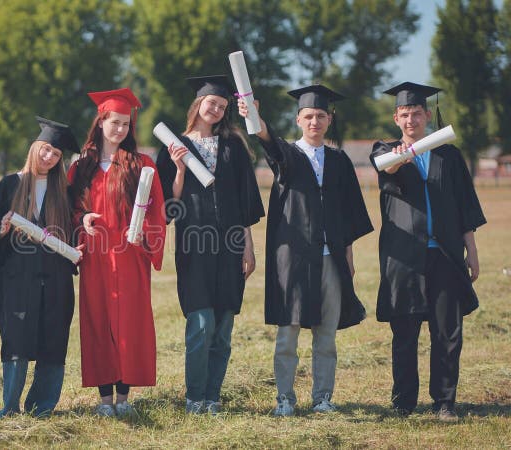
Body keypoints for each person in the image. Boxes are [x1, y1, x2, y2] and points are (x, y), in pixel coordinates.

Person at [239, 85, 373, 416]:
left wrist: (348, 257)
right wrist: (253, 115)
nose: (315, 121)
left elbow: (350, 213)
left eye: (321, 116)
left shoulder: (340, 161)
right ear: (299, 119)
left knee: (326, 334)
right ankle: (285, 399)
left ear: (330, 119)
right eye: (309, 116)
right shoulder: (287, 155)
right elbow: (266, 139)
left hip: (331, 258)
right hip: (295, 260)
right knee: (289, 333)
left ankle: (323, 398)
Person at [370, 82, 486, 422]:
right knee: (404, 331)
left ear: (428, 115)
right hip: (404, 256)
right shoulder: (385, 150)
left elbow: (466, 205)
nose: (411, 120)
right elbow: (387, 168)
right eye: (404, 114)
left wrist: (472, 251)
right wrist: (406, 152)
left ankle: (445, 402)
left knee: (447, 331)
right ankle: (403, 402)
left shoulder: (449, 155)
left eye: (417, 114)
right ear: (396, 118)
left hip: (445, 255)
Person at [155, 76, 264, 415]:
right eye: (210, 103)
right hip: (193, 246)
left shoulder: (234, 147)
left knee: (223, 327)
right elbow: (168, 206)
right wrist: (177, 169)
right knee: (200, 324)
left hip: (231, 246)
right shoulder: (175, 146)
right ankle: (194, 397)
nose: (215, 109)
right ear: (198, 105)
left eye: (222, 106)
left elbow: (246, 204)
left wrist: (248, 248)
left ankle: (213, 397)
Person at [67, 88, 167, 417]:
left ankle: (124, 398)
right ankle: (104, 399)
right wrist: (82, 219)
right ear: (100, 123)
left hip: (130, 255)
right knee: (98, 321)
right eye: (114, 122)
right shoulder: (81, 167)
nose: (120, 129)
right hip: (96, 255)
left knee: (131, 323)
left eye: (126, 124)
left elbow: (157, 212)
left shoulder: (142, 165)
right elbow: (68, 209)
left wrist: (144, 237)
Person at [0, 116, 81, 418]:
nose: (49, 157)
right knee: (17, 340)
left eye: (56, 154)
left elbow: (75, 230)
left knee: (53, 339)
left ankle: (43, 407)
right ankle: (9, 406)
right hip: (17, 279)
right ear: (35, 147)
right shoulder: (7, 187)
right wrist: (3, 231)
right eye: (46, 149)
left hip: (56, 279)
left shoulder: (64, 191)